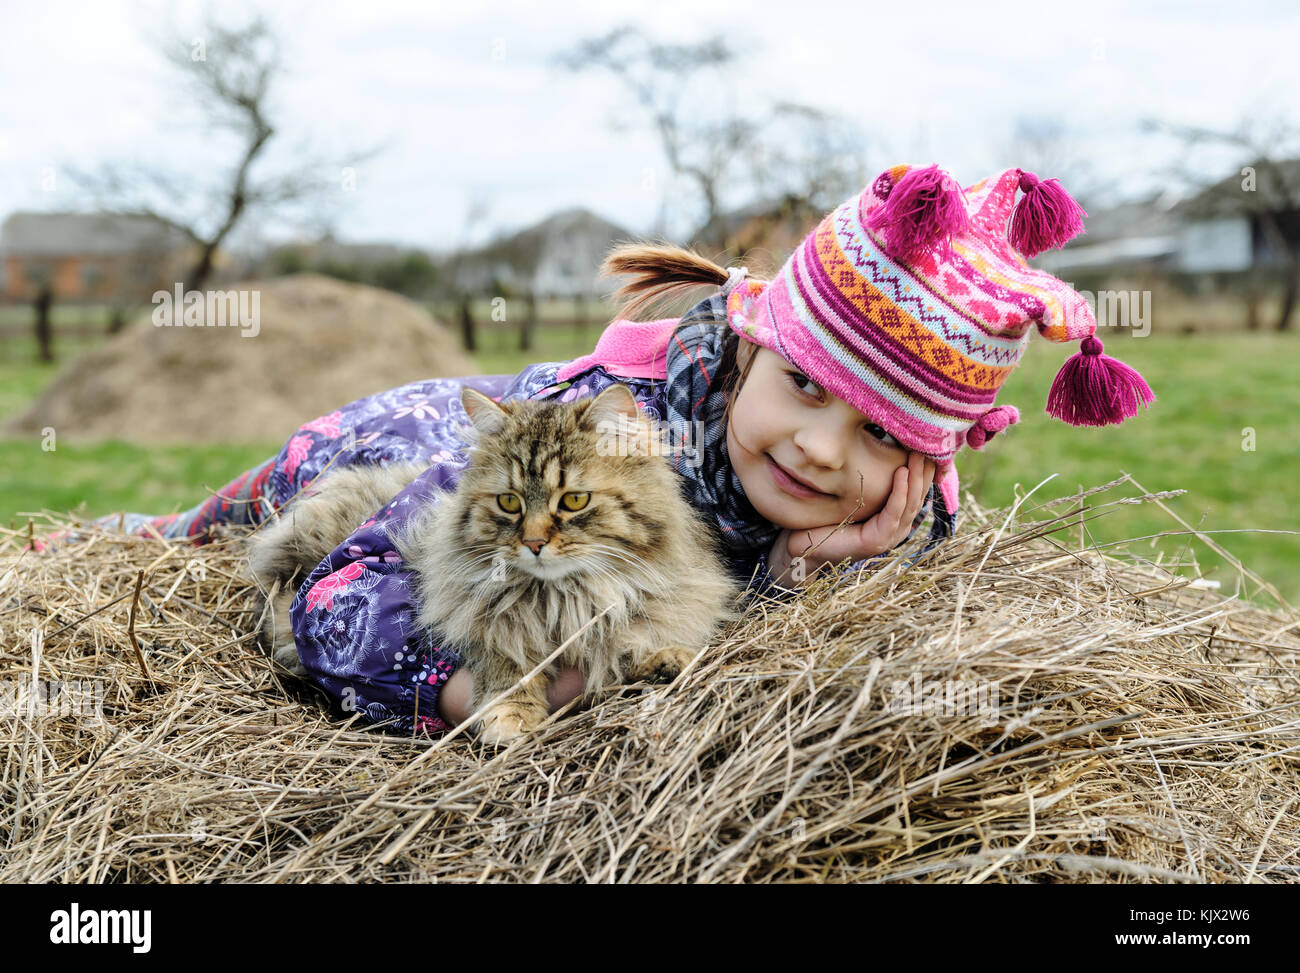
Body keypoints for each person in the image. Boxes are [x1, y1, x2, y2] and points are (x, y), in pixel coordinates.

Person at [32, 162, 1154, 736]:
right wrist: (471, 689)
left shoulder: (915, 514)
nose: (818, 448)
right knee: (252, 520)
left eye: (874, 432)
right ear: (756, 345)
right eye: (803, 386)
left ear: (924, 454)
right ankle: (121, 535)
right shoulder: (626, 423)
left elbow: (742, 603)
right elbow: (345, 605)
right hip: (447, 440)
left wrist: (798, 578)